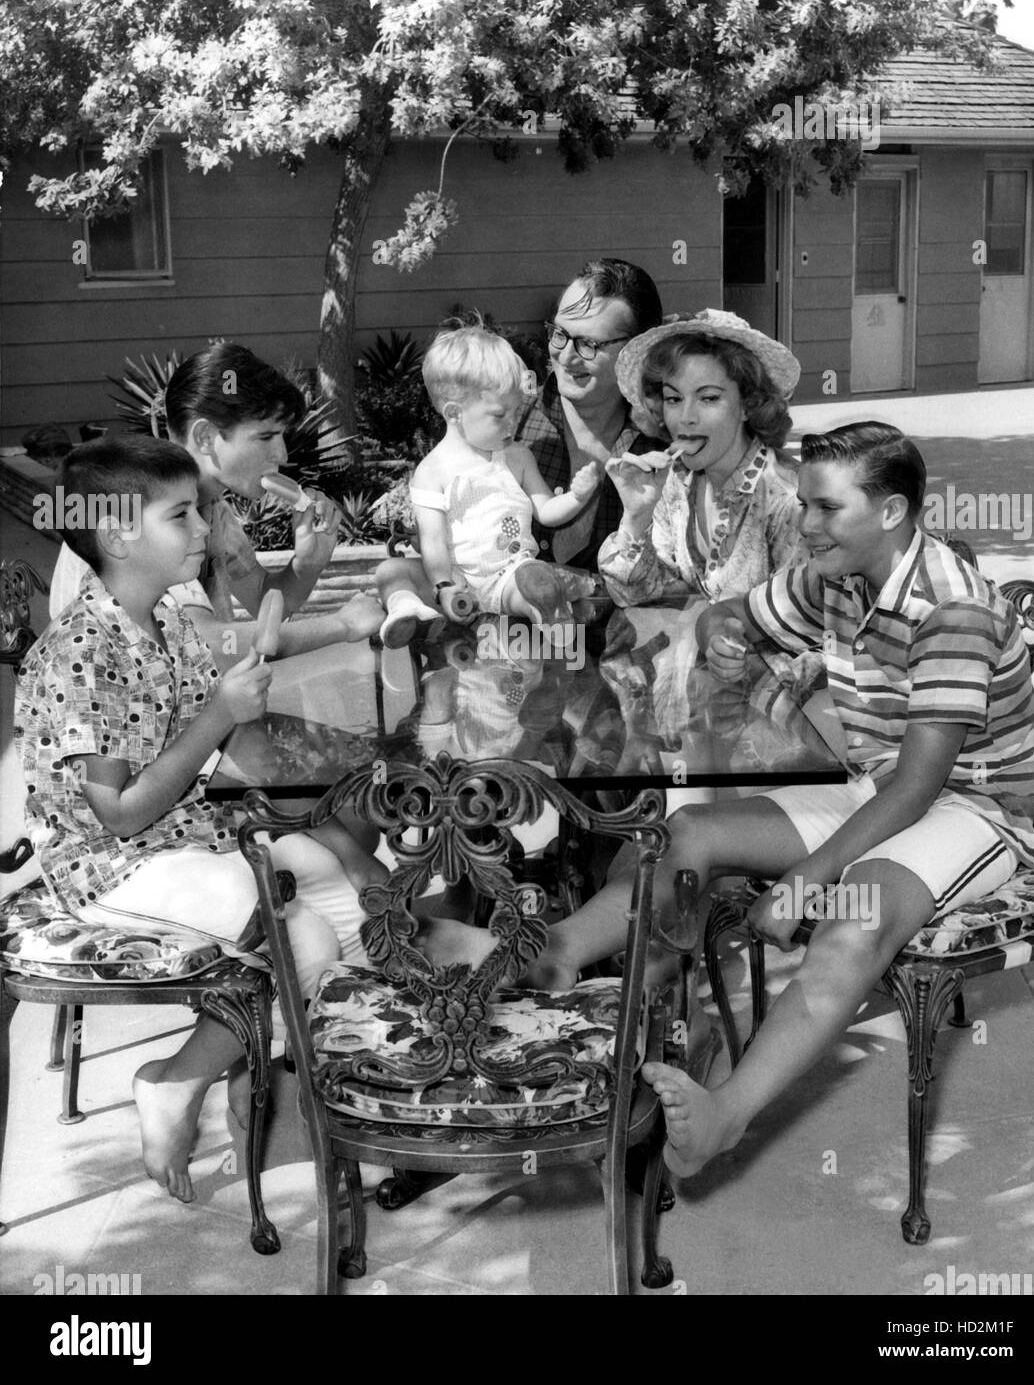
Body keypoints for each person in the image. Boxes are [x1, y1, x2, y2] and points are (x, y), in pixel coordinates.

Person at [522, 421, 1034, 1176]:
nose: (805, 524)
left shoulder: (950, 612)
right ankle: (558, 951)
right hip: (874, 783)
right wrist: (732, 634)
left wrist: (808, 878)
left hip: (972, 806)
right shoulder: (833, 573)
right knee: (688, 831)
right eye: (803, 505)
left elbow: (922, 784)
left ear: (891, 513)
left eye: (826, 508)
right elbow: (735, 615)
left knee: (854, 906)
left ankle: (724, 1116)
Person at [16, 436, 383, 1203]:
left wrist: (343, 637)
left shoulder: (166, 621)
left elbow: (246, 657)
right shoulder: (83, 651)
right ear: (120, 536)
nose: (205, 530)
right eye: (183, 515)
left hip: (184, 839)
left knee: (348, 901)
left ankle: (331, 1104)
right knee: (304, 940)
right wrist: (219, 715)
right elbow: (116, 815)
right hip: (107, 865)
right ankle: (177, 1081)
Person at [373, 258, 664, 645]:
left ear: (635, 353)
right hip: (488, 657)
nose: (566, 355)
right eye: (559, 334)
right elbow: (435, 529)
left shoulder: (659, 453)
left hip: (611, 666)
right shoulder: (504, 421)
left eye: (589, 344)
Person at [48, 342, 385, 663]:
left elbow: (264, 603)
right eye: (265, 436)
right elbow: (212, 646)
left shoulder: (210, 508)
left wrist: (306, 565)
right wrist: (342, 625)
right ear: (206, 437)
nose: (282, 455)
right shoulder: (145, 511)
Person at [599, 308, 804, 606]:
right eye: (673, 399)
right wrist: (635, 517)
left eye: (709, 398)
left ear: (748, 404)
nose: (685, 417)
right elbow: (637, 596)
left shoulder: (788, 498)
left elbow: (800, 622)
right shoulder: (675, 481)